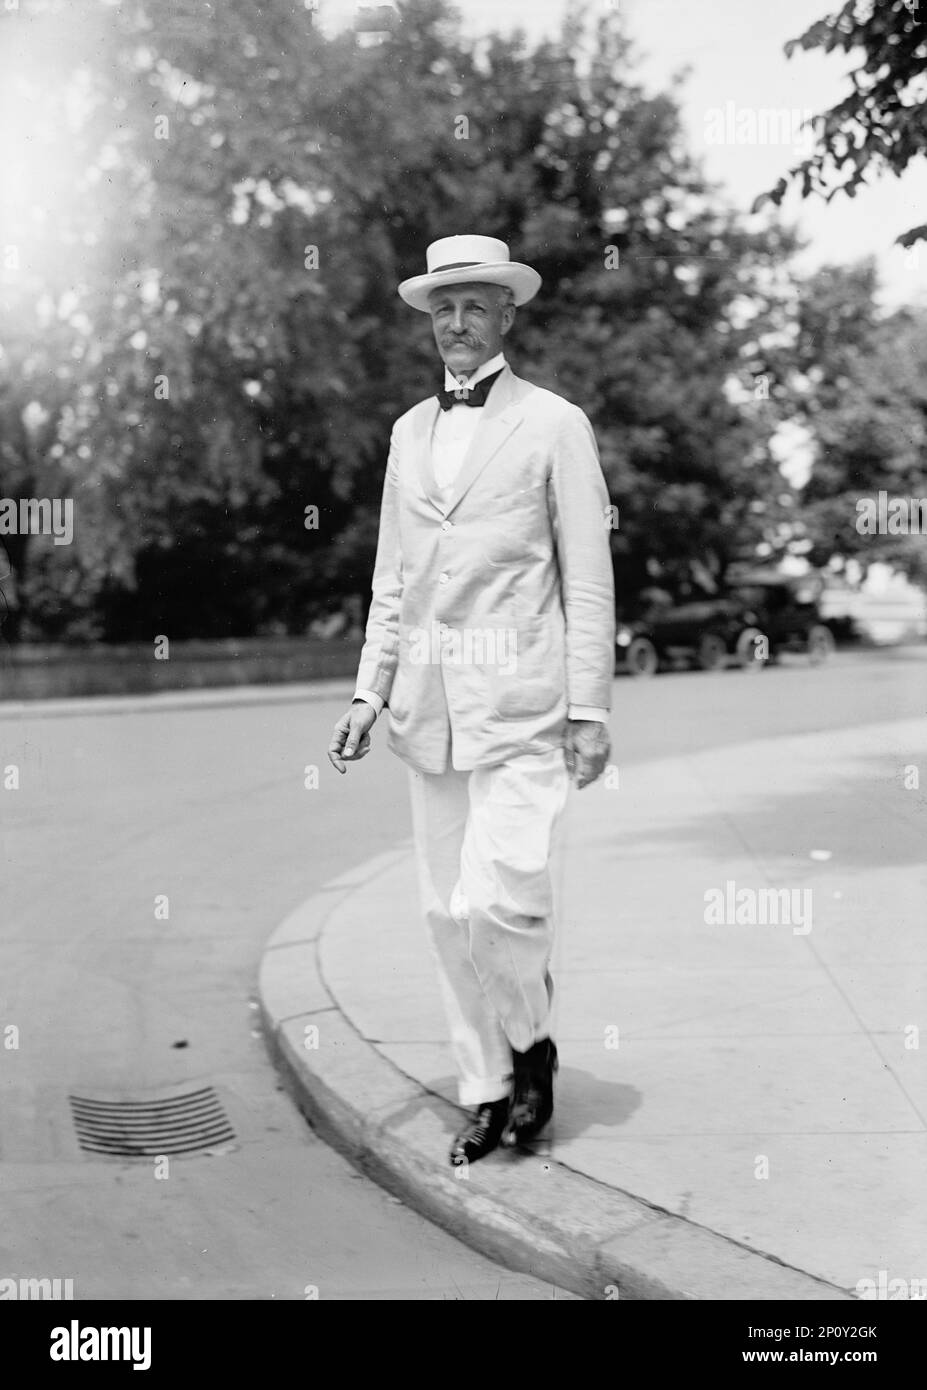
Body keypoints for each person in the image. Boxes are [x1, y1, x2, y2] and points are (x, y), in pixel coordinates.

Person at [328, 234, 615, 1165]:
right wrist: (368, 692)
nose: (457, 321)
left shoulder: (554, 423)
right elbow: (393, 580)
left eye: (476, 304)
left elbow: (588, 575)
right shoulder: (409, 433)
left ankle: (531, 1044)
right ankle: (485, 1090)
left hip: (525, 707)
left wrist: (590, 707)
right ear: (430, 317)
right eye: (443, 306)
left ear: (507, 313)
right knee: (446, 916)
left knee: (502, 904)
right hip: (425, 711)